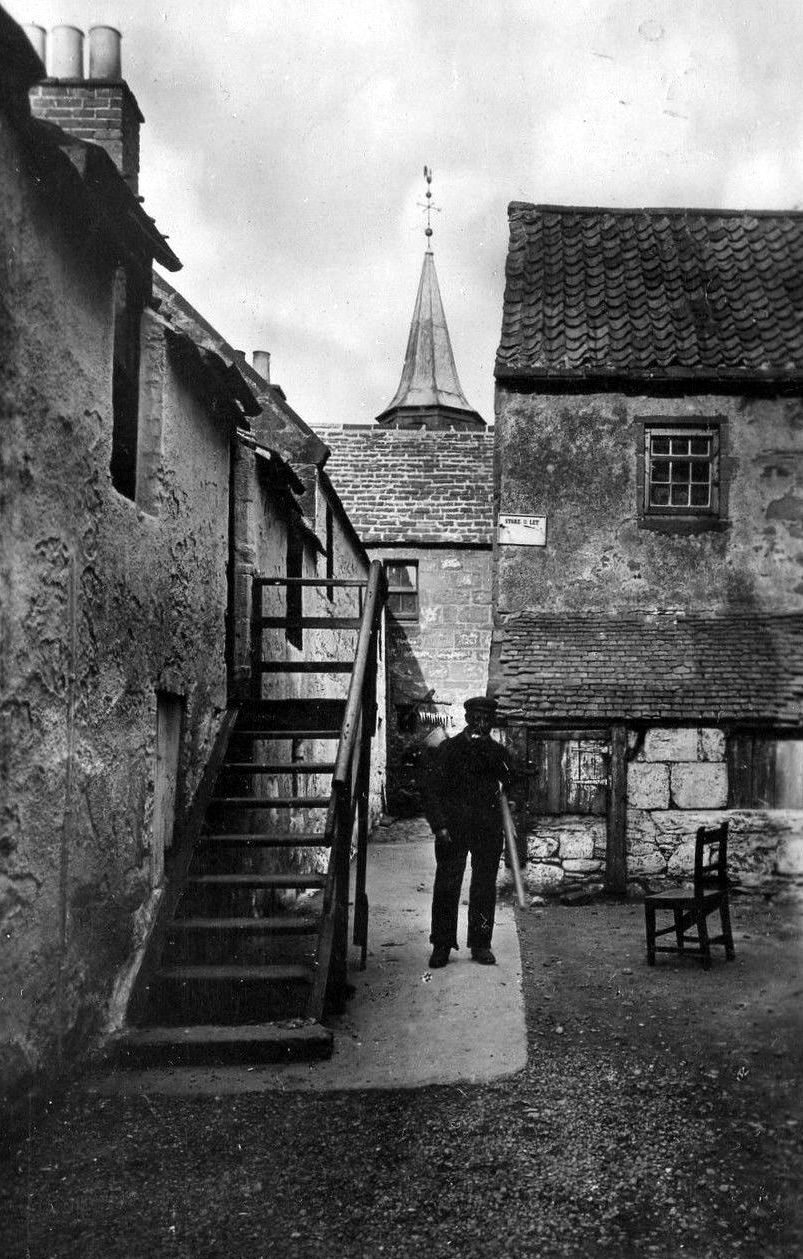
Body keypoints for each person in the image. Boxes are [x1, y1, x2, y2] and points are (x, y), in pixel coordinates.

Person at [422, 696, 512, 968]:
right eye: (476, 718)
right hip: (453, 830)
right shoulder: (448, 750)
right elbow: (430, 791)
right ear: (467, 719)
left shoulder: (498, 753)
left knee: (484, 887)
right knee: (447, 886)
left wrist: (509, 801)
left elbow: (512, 784)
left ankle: (481, 944)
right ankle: (441, 945)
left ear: (491, 723)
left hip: (487, 830)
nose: (480, 724)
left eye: (486, 720)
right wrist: (439, 826)